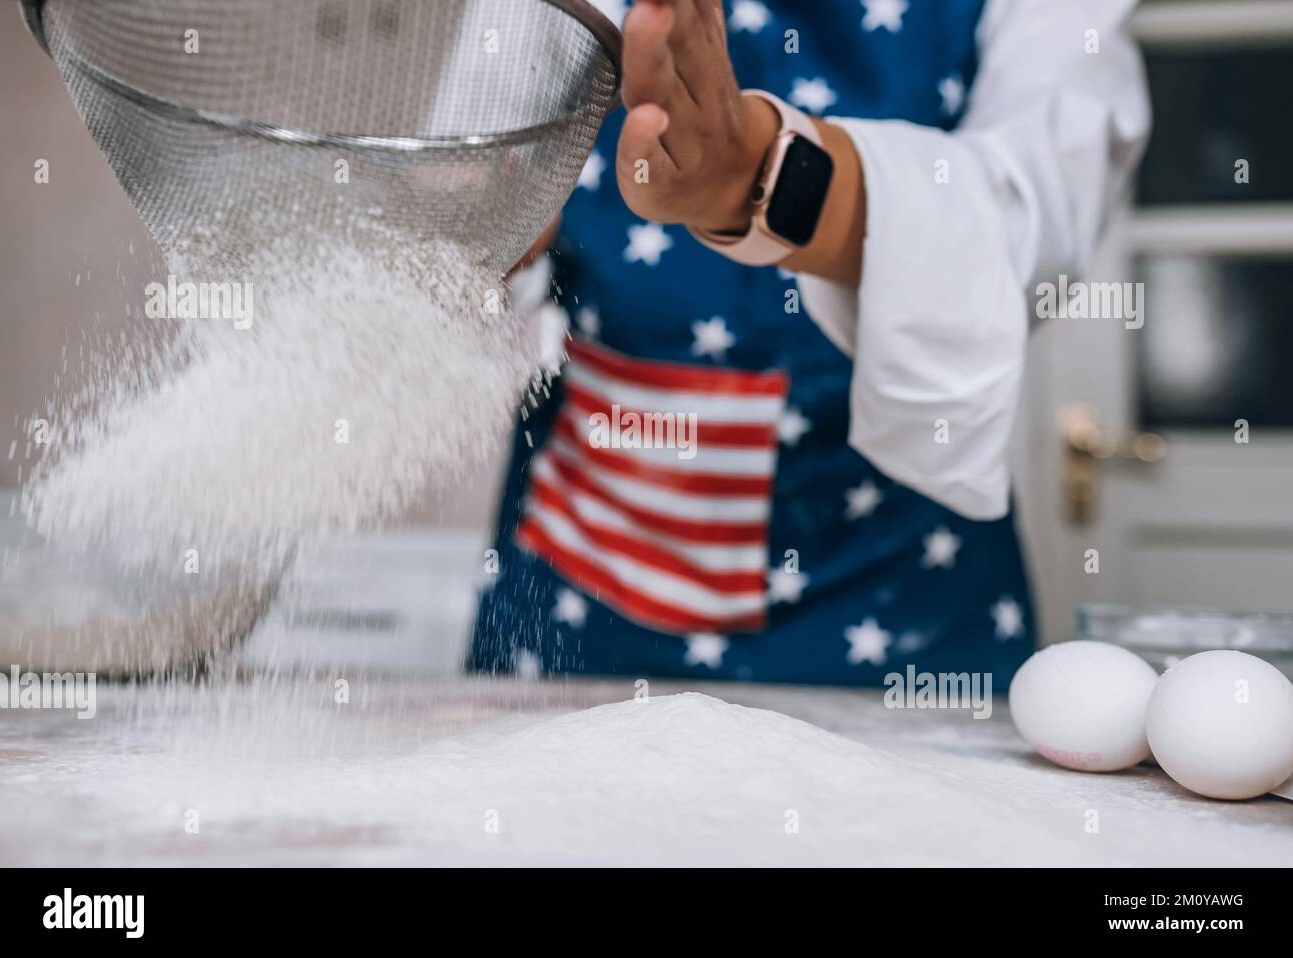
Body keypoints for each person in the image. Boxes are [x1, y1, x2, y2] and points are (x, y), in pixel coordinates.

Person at [468, 0, 1150, 687]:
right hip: (583, 585)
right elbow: (487, 184)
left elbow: (1030, 225)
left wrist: (762, 179)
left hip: (897, 597)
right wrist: (494, 227)